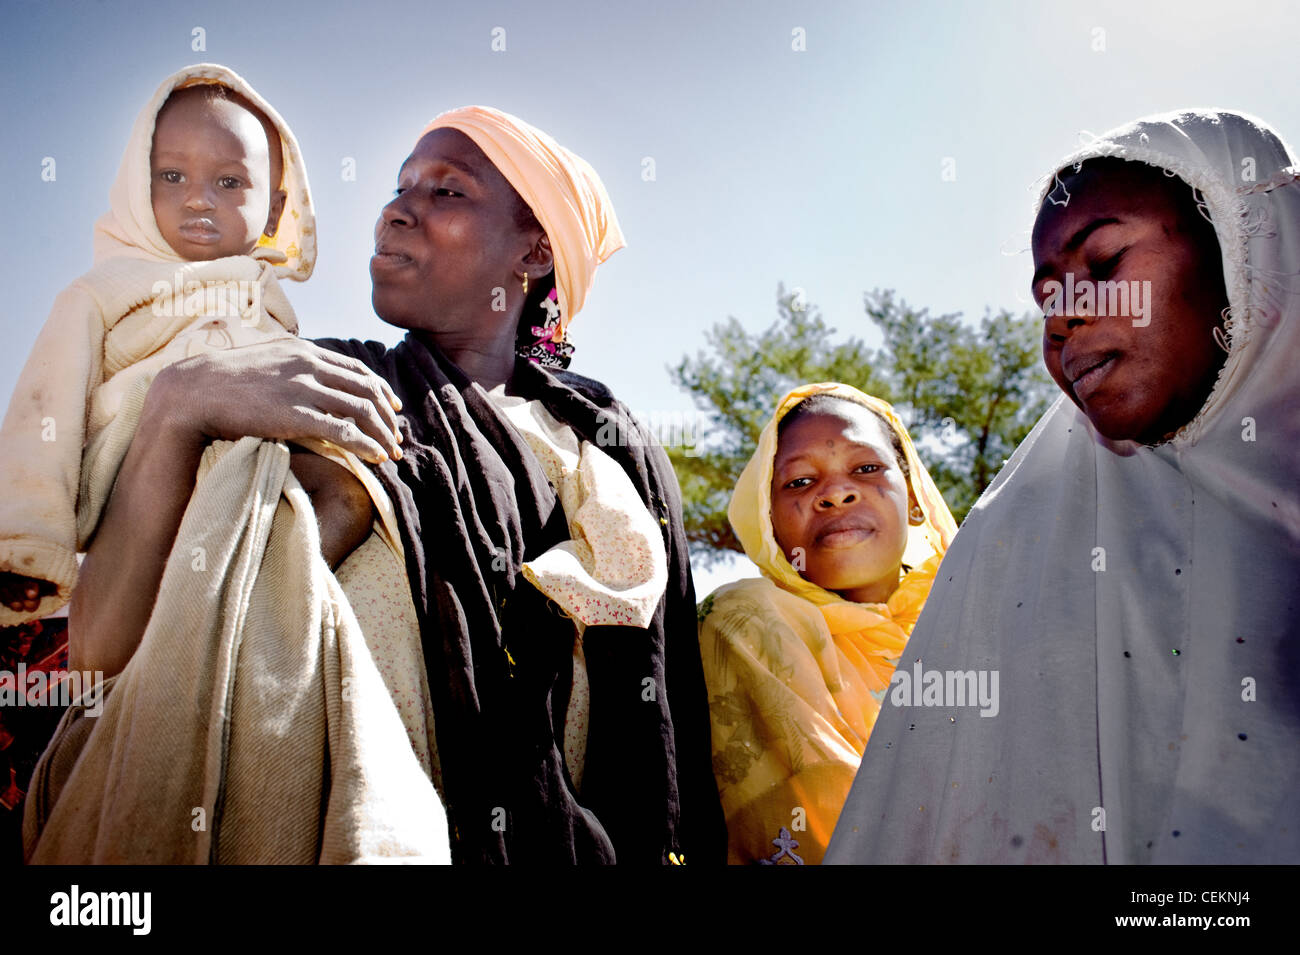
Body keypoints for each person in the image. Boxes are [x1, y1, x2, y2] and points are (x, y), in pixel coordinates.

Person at [34, 105, 725, 865]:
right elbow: (102, 658)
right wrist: (178, 406)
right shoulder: (294, 381)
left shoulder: (606, 448)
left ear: (532, 249)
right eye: (400, 188)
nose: (396, 210)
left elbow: (667, 727)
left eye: (447, 192)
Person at [826, 109, 1300, 864]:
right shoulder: (1016, 543)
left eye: (1106, 261)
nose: (1061, 318)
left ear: (1250, 246)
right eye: (1045, 294)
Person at [0, 63, 392, 633]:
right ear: (137, 184)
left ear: (275, 212)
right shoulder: (102, 290)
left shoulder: (266, 299)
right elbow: (43, 413)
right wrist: (25, 538)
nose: (198, 200)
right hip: (136, 470)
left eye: (229, 183)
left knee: (351, 495)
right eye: (171, 176)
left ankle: (265, 624)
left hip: (252, 467)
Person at [698, 383, 954, 864]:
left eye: (866, 468)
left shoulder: (974, 623)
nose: (836, 493)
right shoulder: (749, 623)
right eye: (798, 482)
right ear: (767, 520)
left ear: (915, 496)